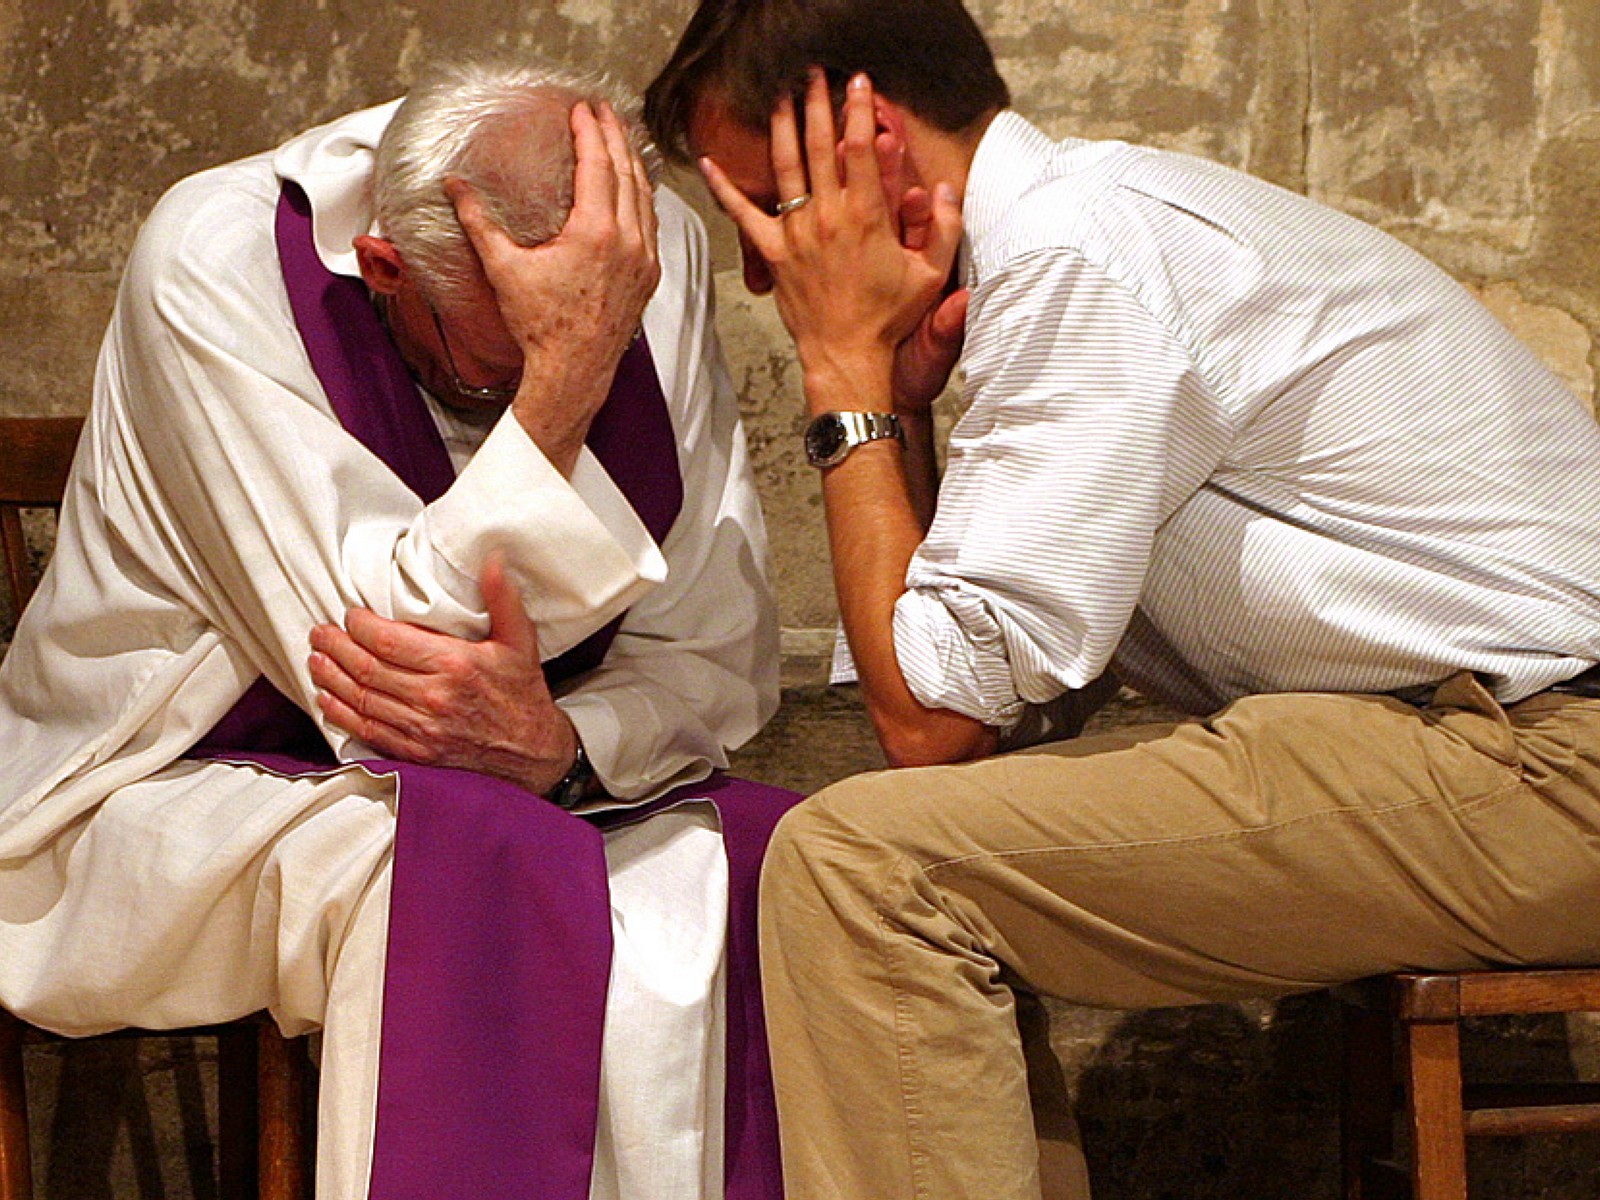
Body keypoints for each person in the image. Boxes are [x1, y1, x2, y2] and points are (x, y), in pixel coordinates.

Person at [643, 1, 1600, 1196]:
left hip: (1549, 762)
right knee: (898, 857)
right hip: (1473, 747)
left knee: (866, 873)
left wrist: (843, 372)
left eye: (766, 210)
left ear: (866, 139)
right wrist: (906, 407)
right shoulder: (1061, 246)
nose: (757, 270)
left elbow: (928, 721)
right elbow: (970, 720)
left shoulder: (1074, 253)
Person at [0, 58, 795, 1200]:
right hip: (162, 779)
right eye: (494, 366)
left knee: (791, 866)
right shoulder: (216, 257)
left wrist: (567, 746)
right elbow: (377, 674)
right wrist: (566, 379)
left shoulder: (640, 255)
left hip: (542, 774)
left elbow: (719, 648)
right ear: (384, 269)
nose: (530, 381)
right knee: (454, 872)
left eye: (581, 344)